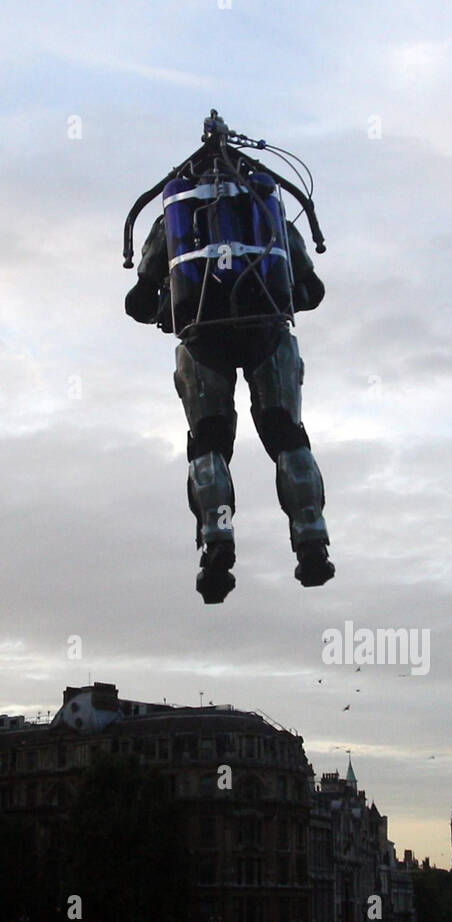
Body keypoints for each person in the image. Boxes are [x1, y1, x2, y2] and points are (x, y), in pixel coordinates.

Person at [124, 111, 334, 603]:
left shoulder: (174, 220)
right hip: (267, 334)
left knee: (209, 443)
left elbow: (137, 301)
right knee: (286, 435)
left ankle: (217, 540)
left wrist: (162, 306)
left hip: (203, 339)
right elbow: (312, 290)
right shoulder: (268, 211)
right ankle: (311, 539)